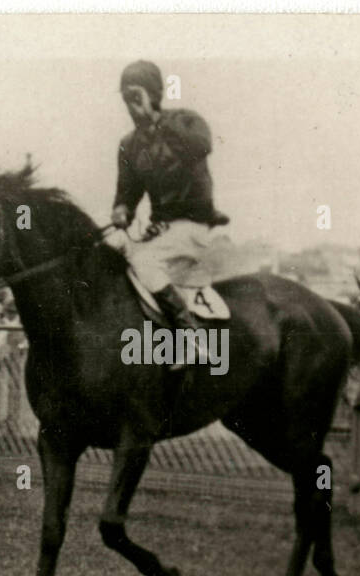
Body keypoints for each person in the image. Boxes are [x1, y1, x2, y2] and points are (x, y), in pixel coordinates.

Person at [110, 60, 228, 368]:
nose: (131, 106)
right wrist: (121, 209)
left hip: (193, 227)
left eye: (136, 97)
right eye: (126, 100)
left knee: (142, 261)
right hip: (160, 230)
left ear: (153, 94)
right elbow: (127, 193)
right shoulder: (129, 145)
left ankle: (191, 340)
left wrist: (155, 118)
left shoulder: (187, 122)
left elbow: (200, 147)